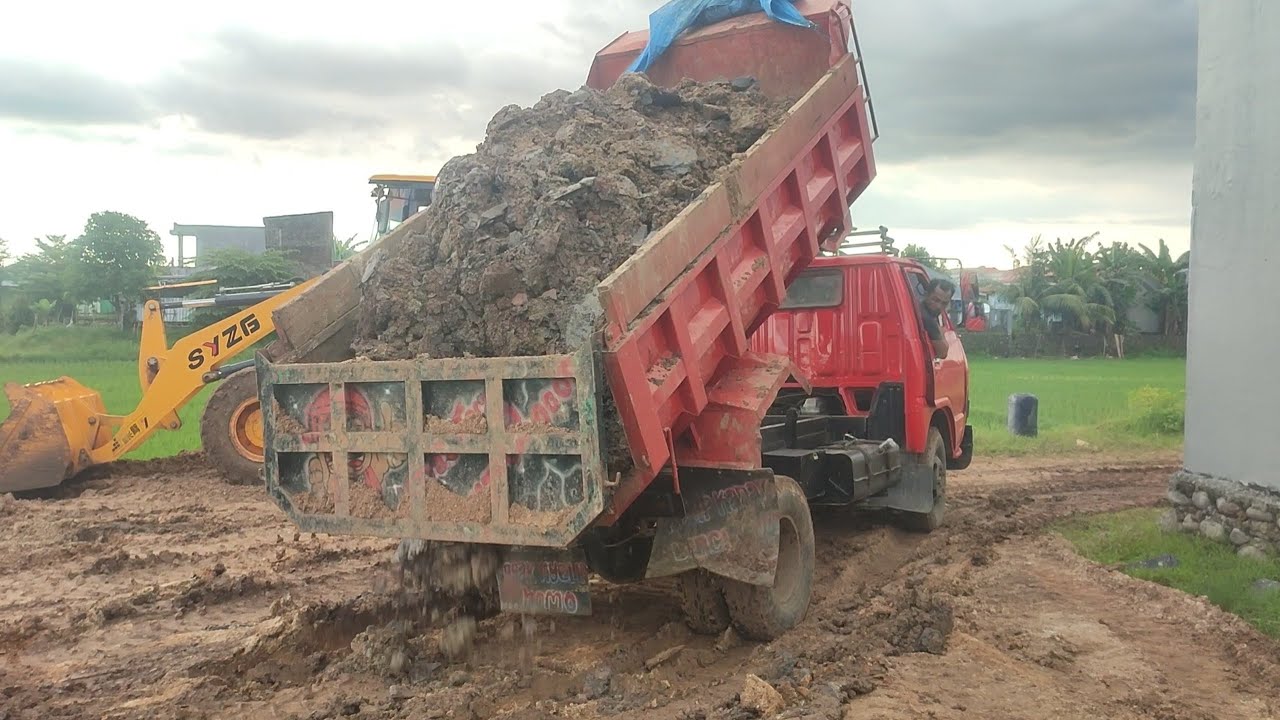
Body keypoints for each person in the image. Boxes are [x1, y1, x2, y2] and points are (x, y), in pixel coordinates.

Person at [920, 278, 955, 359]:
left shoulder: (920, 310)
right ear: (926, 295)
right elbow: (943, 352)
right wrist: (940, 330)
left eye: (944, 303)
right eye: (935, 300)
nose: (939, 306)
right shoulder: (927, 319)